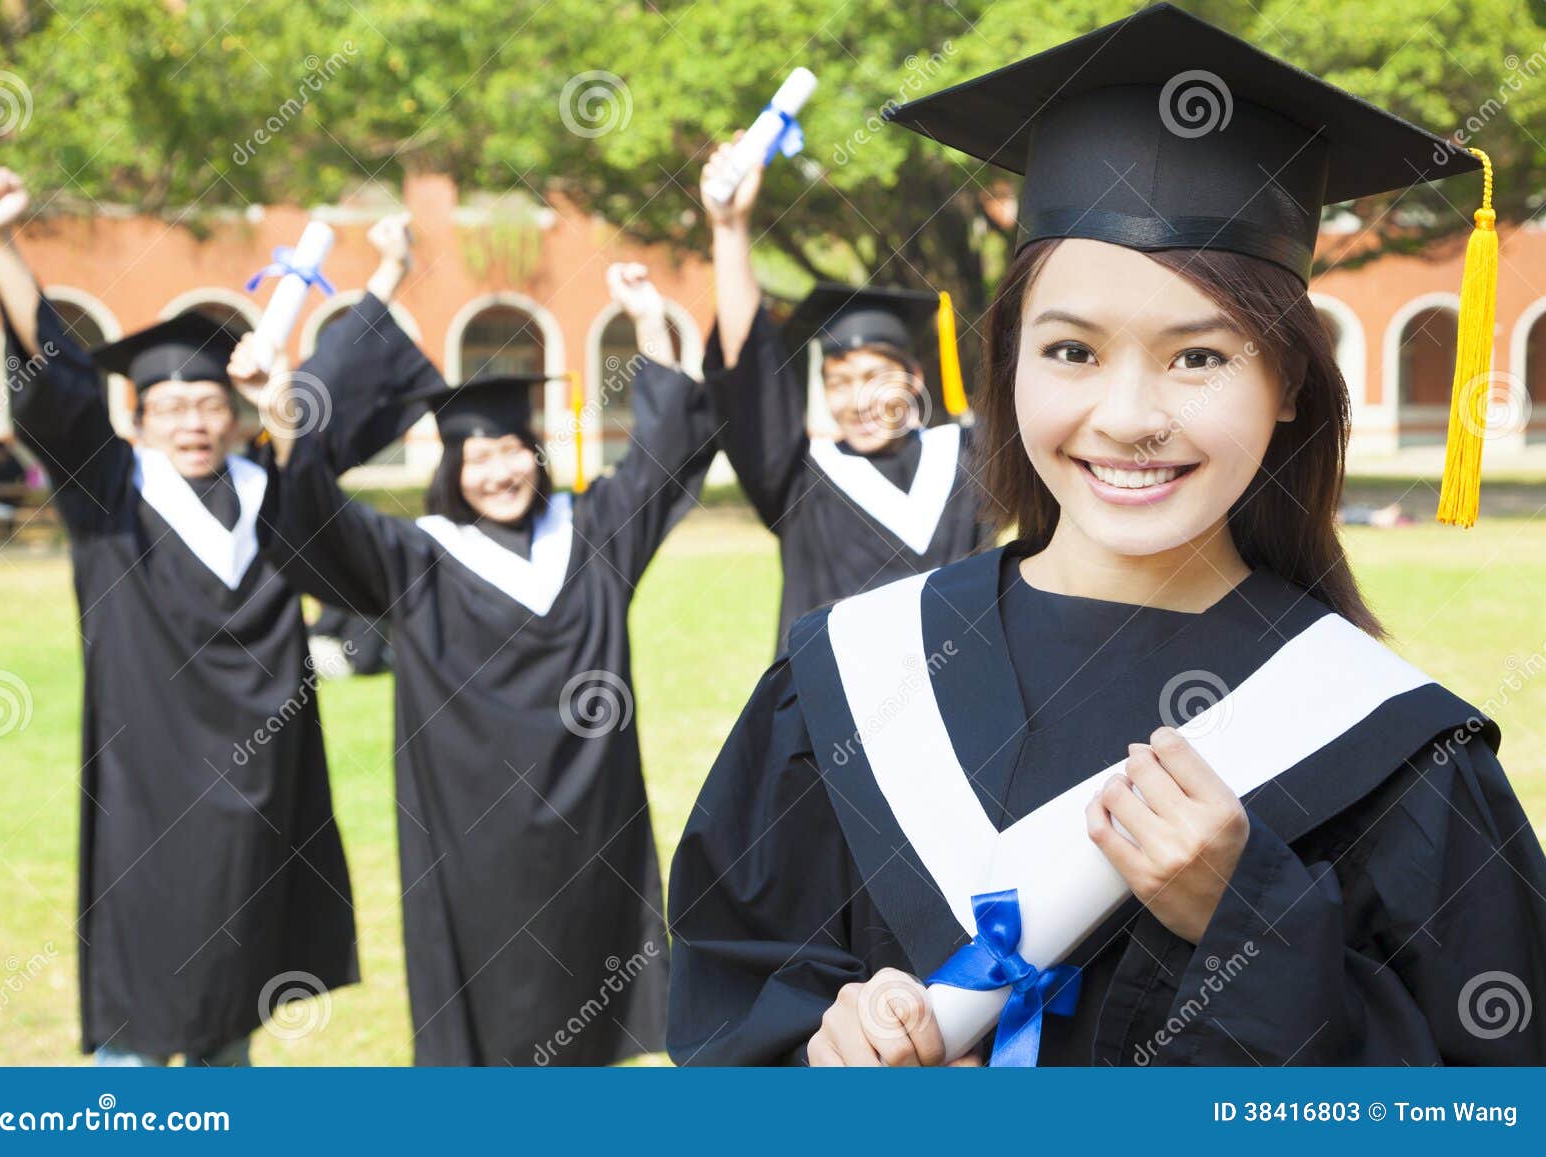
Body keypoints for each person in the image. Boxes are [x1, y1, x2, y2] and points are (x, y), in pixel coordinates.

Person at [667, 4, 1546, 1067]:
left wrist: (1257, 926)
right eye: (1071, 350)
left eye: (1199, 357)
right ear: (1008, 369)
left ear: (1285, 389)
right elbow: (729, 1005)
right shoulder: (848, 681)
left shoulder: (1387, 747)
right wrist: (820, 1051)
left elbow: (1496, 1094)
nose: (1127, 415)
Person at [235, 219, 720, 1065]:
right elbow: (307, 513)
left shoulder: (595, 535)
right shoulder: (413, 557)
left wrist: (646, 323)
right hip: (468, 844)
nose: (499, 470)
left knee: (590, 1032)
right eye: (477, 455)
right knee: (489, 1037)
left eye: (512, 449)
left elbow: (665, 458)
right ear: (450, 468)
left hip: (590, 834)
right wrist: (286, 408)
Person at [0, 166, 360, 1066]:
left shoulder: (274, 495)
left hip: (260, 788)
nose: (190, 422)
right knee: (141, 1007)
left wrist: (288, 404)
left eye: (209, 403)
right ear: (135, 420)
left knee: (231, 1010)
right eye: (169, 406)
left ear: (235, 414)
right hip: (147, 786)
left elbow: (348, 547)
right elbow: (55, 378)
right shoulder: (112, 497)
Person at [701, 142, 995, 647]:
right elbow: (750, 368)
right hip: (833, 720)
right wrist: (728, 229)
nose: (856, 400)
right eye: (836, 382)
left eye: (873, 377)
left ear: (914, 382)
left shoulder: (967, 458)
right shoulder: (799, 478)